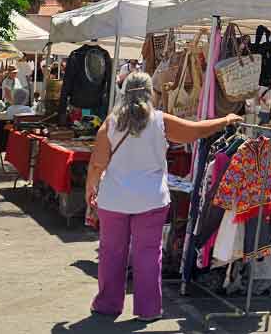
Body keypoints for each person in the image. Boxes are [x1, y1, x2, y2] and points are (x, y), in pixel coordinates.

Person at [85, 72, 241, 321]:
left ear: (124, 93)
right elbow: (195, 132)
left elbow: (97, 163)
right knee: (148, 254)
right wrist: (225, 120)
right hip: (151, 198)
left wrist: (90, 189)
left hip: (114, 199)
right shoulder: (159, 120)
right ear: (150, 93)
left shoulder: (111, 123)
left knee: (111, 252)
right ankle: (148, 309)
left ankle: (107, 304)